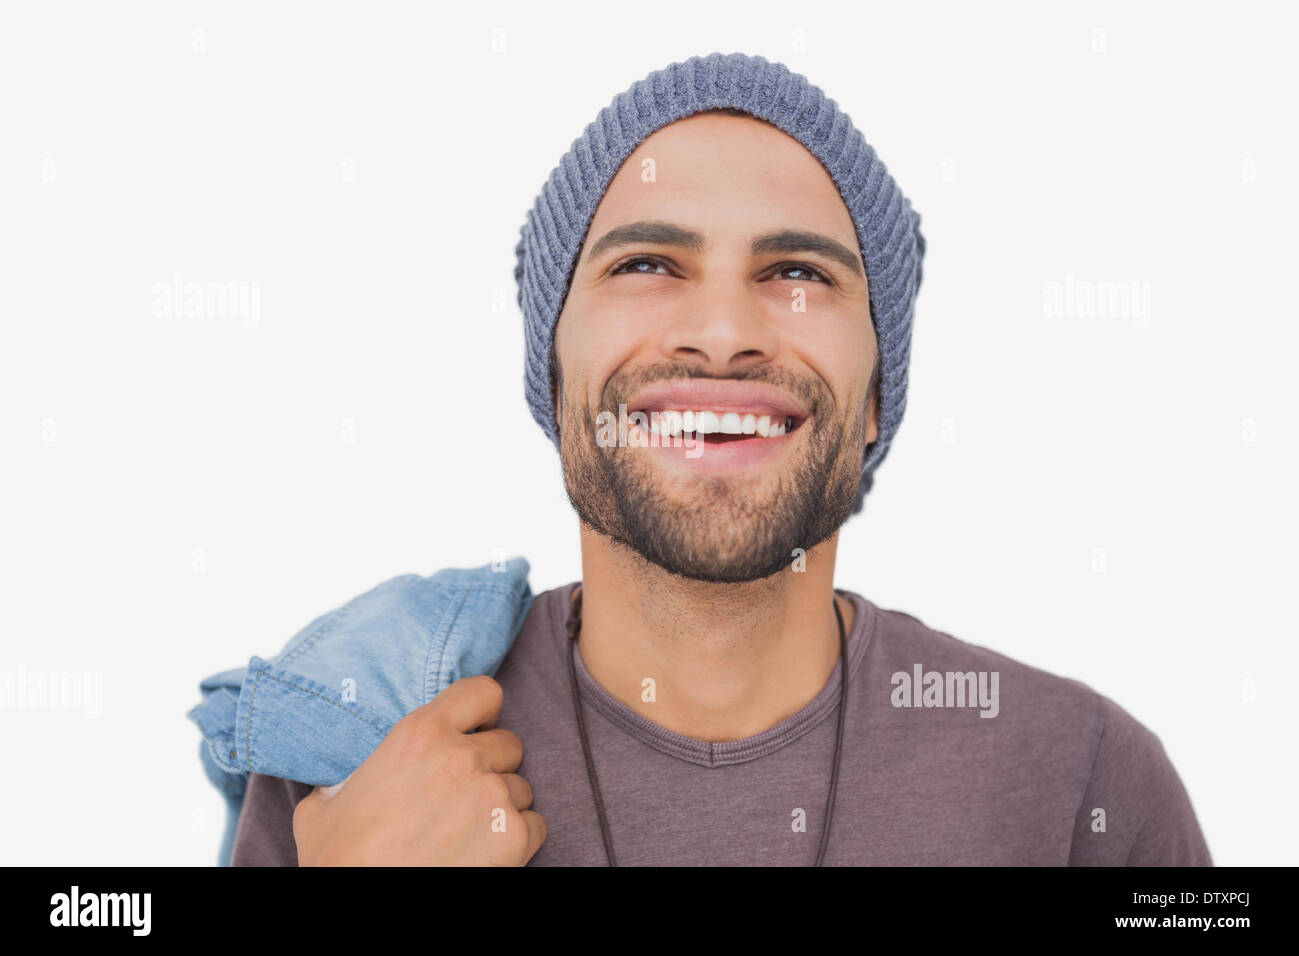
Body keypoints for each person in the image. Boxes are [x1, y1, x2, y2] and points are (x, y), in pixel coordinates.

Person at [228, 52, 1211, 866]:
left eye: (796, 272)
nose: (722, 330)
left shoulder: (1083, 779)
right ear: (551, 366)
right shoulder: (360, 759)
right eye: (646, 264)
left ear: (874, 395)